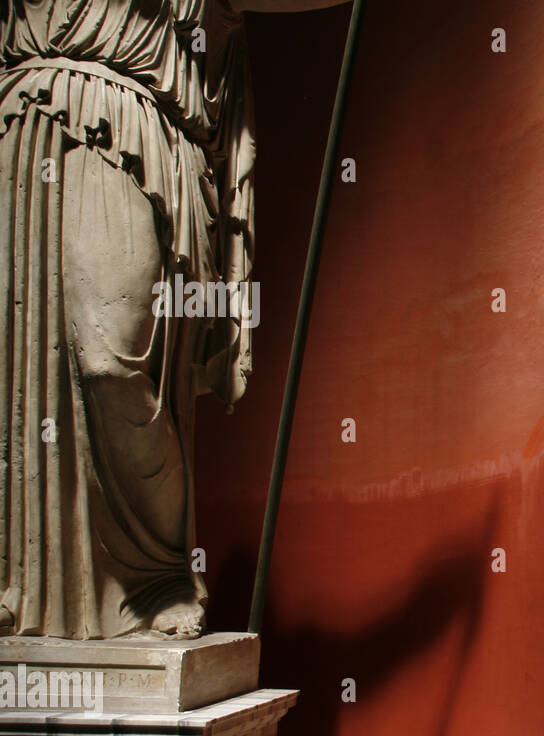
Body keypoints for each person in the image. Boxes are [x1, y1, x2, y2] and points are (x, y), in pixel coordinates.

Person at [0, 0, 347, 639]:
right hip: (23, 111)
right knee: (16, 371)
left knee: (110, 360)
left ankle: (154, 573)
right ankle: (20, 574)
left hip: (125, 116)